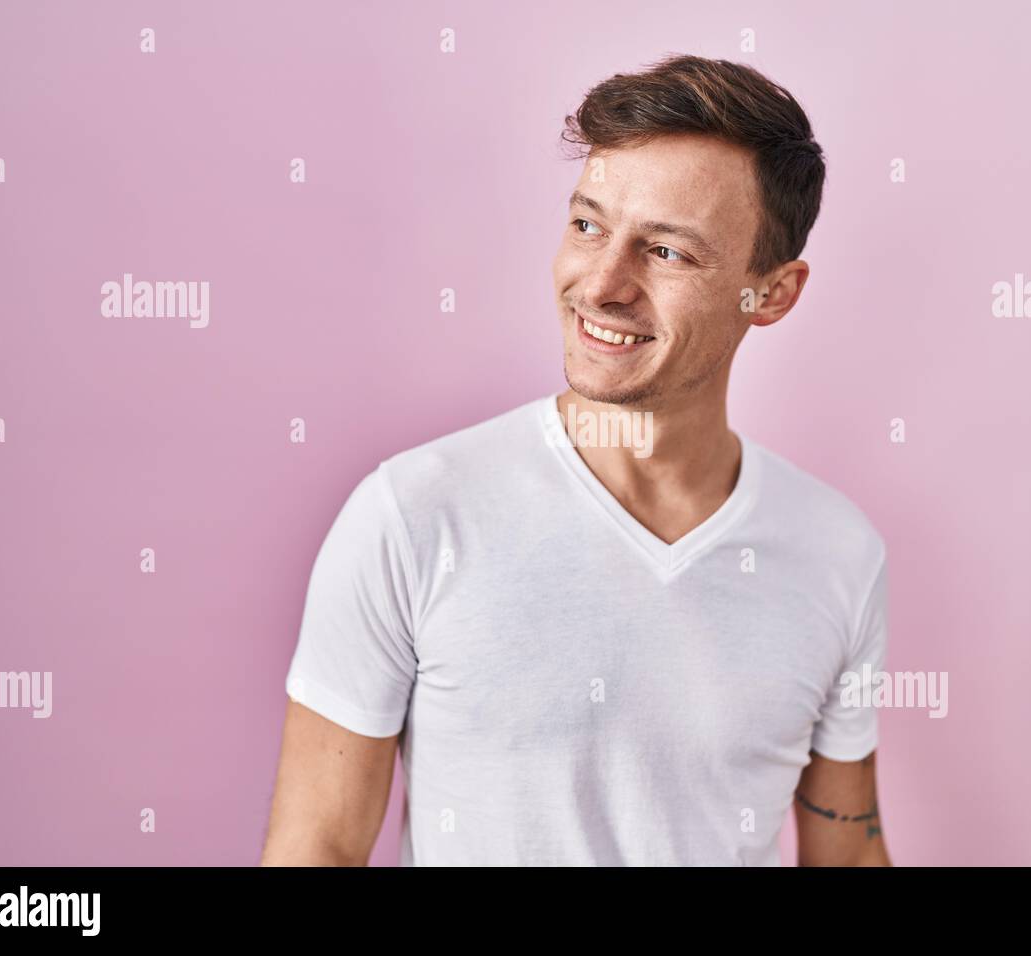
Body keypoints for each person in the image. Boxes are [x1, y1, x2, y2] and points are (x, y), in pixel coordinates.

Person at [261, 53, 891, 866]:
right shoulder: (413, 516)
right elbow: (317, 849)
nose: (601, 284)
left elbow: (846, 853)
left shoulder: (838, 552)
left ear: (770, 293)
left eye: (666, 252)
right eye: (588, 225)